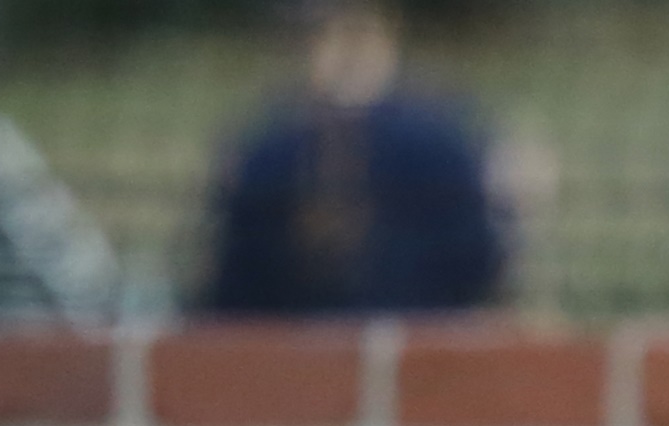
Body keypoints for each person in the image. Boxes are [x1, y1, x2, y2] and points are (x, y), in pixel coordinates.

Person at [200, 0, 507, 315]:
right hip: (308, 339)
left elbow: (475, 265)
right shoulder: (269, 150)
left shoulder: (439, 141)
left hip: (411, 334)